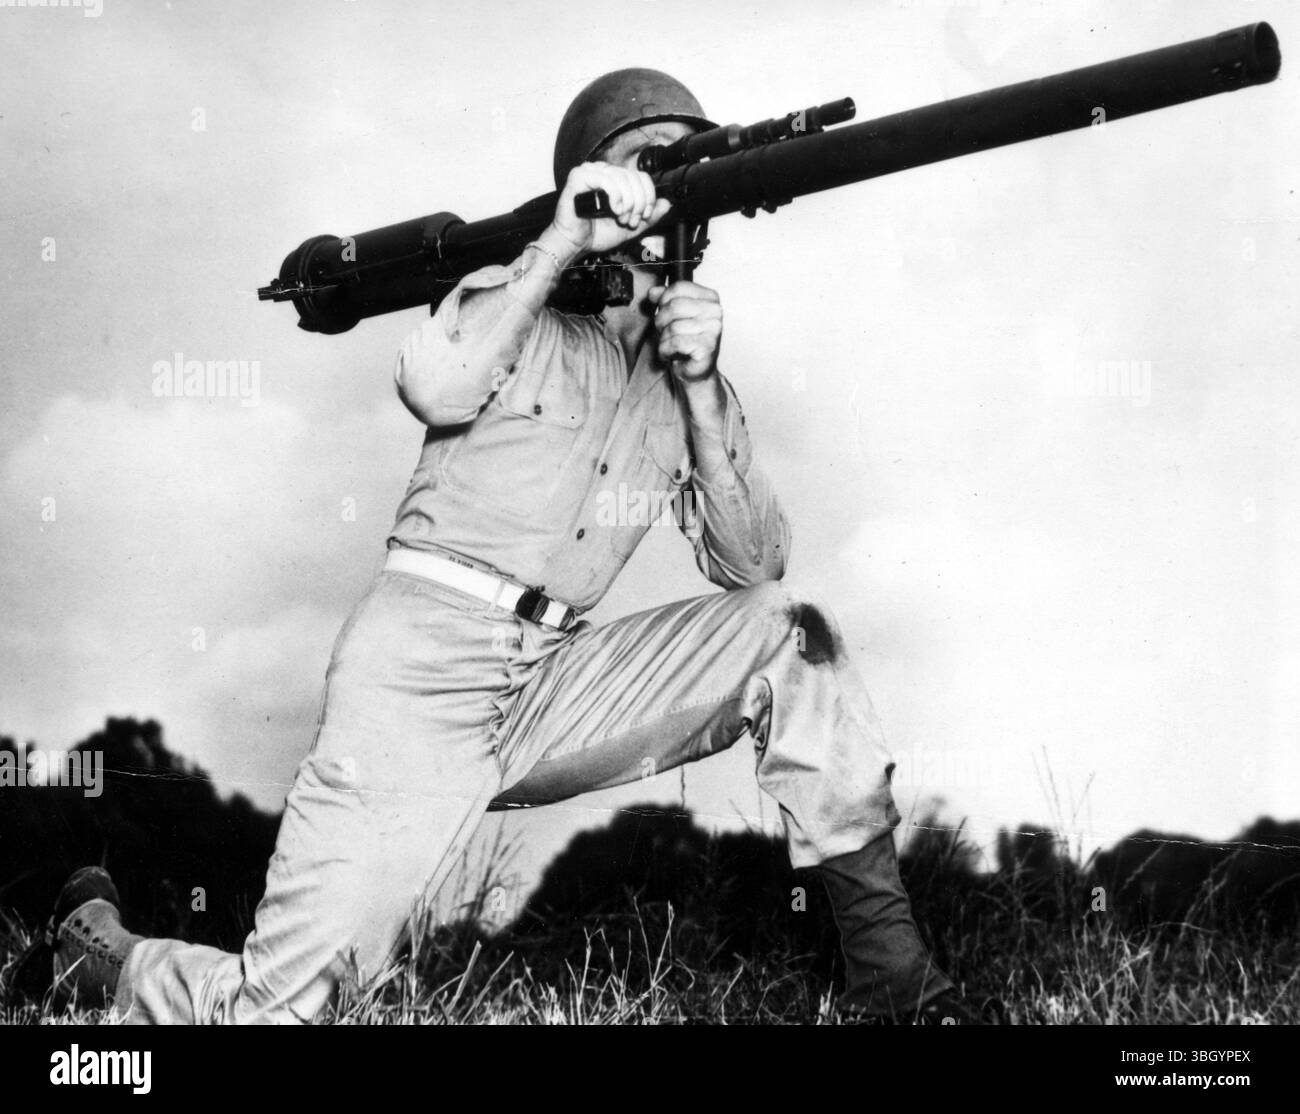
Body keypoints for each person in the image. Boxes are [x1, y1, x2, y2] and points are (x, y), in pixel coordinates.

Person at [18, 69, 980, 1024]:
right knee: (280, 1013)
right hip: (420, 670)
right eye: (649, 158)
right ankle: (98, 956)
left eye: (689, 157)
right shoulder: (513, 295)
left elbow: (752, 564)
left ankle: (896, 982)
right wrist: (561, 241)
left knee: (790, 631)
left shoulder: (680, 356)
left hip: (556, 677)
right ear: (585, 181)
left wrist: (700, 388)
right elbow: (434, 385)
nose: (673, 180)